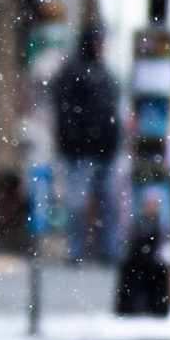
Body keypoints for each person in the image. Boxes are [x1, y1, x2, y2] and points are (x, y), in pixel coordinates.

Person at [52, 23, 125, 263]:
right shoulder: (77, 73)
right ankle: (80, 251)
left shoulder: (101, 73)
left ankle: (105, 250)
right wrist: (74, 140)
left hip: (101, 149)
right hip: (83, 150)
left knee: (104, 204)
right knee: (79, 203)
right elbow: (67, 111)